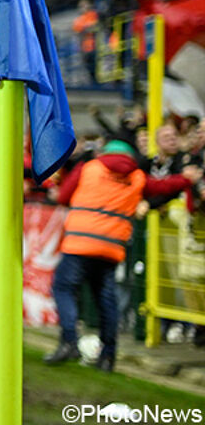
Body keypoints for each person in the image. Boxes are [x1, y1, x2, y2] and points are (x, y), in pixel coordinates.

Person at [46, 139, 189, 371]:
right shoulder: (138, 177)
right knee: (106, 299)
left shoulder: (89, 168)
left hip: (79, 243)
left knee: (64, 288)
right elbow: (164, 187)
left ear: (104, 152)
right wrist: (187, 179)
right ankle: (109, 355)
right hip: (112, 246)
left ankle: (69, 340)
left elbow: (63, 197)